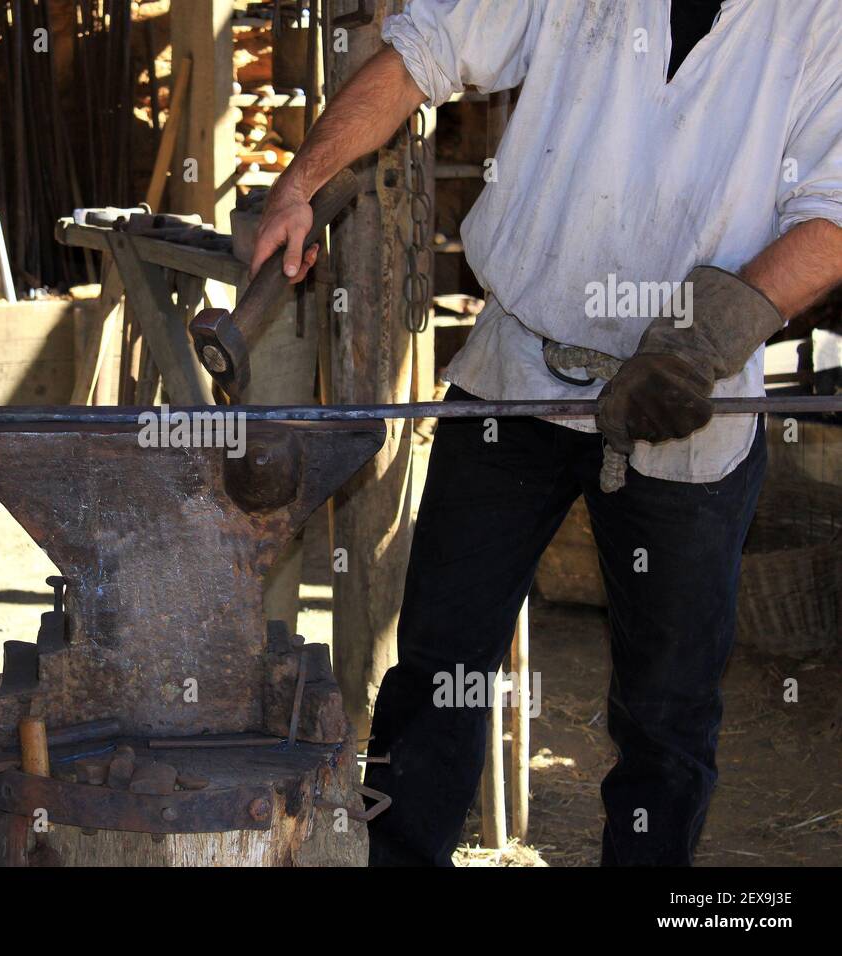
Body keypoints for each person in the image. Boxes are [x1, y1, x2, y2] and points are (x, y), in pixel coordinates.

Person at [249, 0, 842, 865]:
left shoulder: (819, 20)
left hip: (687, 404)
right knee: (438, 670)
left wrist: (700, 341)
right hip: (517, 371)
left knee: (668, 711)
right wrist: (298, 183)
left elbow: (830, 217)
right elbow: (422, 51)